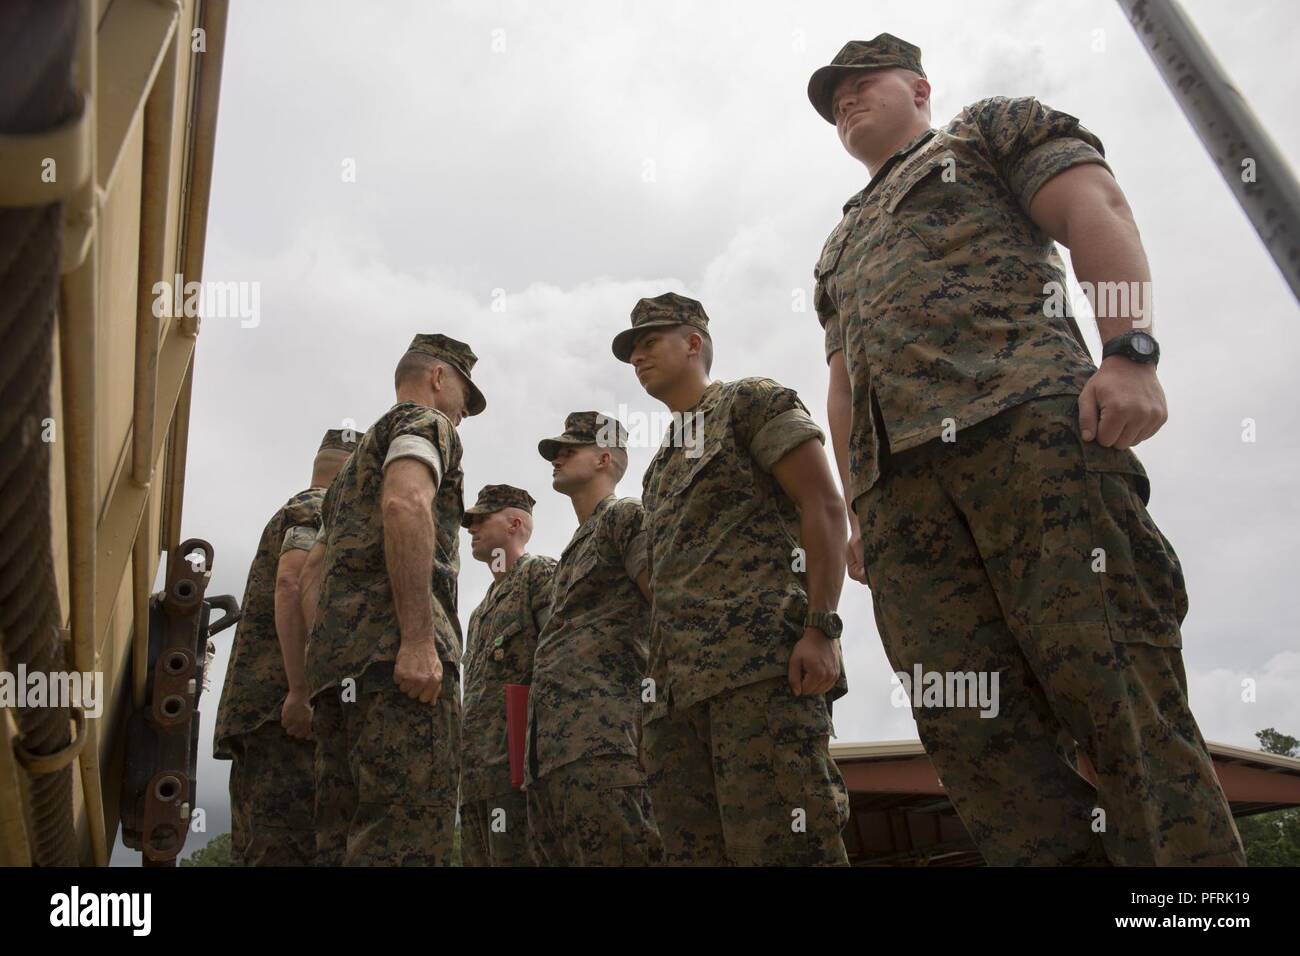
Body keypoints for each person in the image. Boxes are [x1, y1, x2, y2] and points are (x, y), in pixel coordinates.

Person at [808, 33, 1244, 864]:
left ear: (919, 88)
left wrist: (1130, 352)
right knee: (976, 740)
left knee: (1116, 690)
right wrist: (862, 506)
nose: (846, 100)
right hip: (903, 504)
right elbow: (842, 385)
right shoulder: (837, 245)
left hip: (1027, 435)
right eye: (834, 99)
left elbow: (1094, 207)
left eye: (862, 82)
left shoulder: (986, 132)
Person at [616, 292, 851, 865]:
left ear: (694, 342)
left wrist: (822, 627)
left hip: (758, 673)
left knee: (788, 848)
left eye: (650, 342)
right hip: (676, 702)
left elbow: (822, 505)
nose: (638, 358)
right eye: (632, 350)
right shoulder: (659, 468)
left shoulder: (750, 402)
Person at [300, 333, 483, 866]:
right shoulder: (426, 423)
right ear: (438, 377)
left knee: (342, 842)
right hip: (398, 670)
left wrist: (323, 665)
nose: (464, 414)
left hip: (340, 677)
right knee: (407, 838)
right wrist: (419, 639)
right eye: (465, 398)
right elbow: (405, 503)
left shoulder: (346, 477)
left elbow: (310, 574)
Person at [213, 427, 356, 865]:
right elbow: (292, 582)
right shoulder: (318, 509)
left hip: (265, 718)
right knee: (290, 847)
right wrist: (301, 690)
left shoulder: (293, 509)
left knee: (261, 847)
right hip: (286, 718)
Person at [525, 412, 661, 866]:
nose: (557, 457)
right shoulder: (571, 551)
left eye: (570, 449)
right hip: (552, 758)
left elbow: (665, 608)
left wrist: (655, 724)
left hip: (607, 743)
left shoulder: (625, 517)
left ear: (604, 459)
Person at [460, 483, 556, 866]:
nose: (471, 528)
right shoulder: (479, 612)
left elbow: (558, 663)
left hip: (518, 773)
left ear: (515, 524)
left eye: (482, 519)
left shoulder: (538, 575)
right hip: (476, 779)